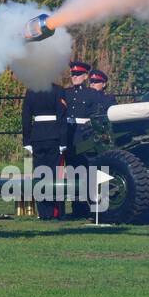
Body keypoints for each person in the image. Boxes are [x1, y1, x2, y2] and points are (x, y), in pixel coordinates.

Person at [20, 82, 69, 220]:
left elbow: (26, 116)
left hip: (37, 136)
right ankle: (56, 211)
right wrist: (63, 140)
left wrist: (27, 141)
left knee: (40, 173)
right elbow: (62, 116)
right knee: (55, 175)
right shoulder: (58, 90)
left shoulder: (31, 90)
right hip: (53, 136)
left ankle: (44, 212)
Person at [62, 60, 94, 217]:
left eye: (78, 74)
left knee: (86, 171)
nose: (74, 77)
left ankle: (89, 206)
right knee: (72, 170)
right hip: (69, 135)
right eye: (73, 74)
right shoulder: (65, 93)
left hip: (84, 137)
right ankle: (77, 208)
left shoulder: (91, 94)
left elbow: (96, 115)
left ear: (85, 76)